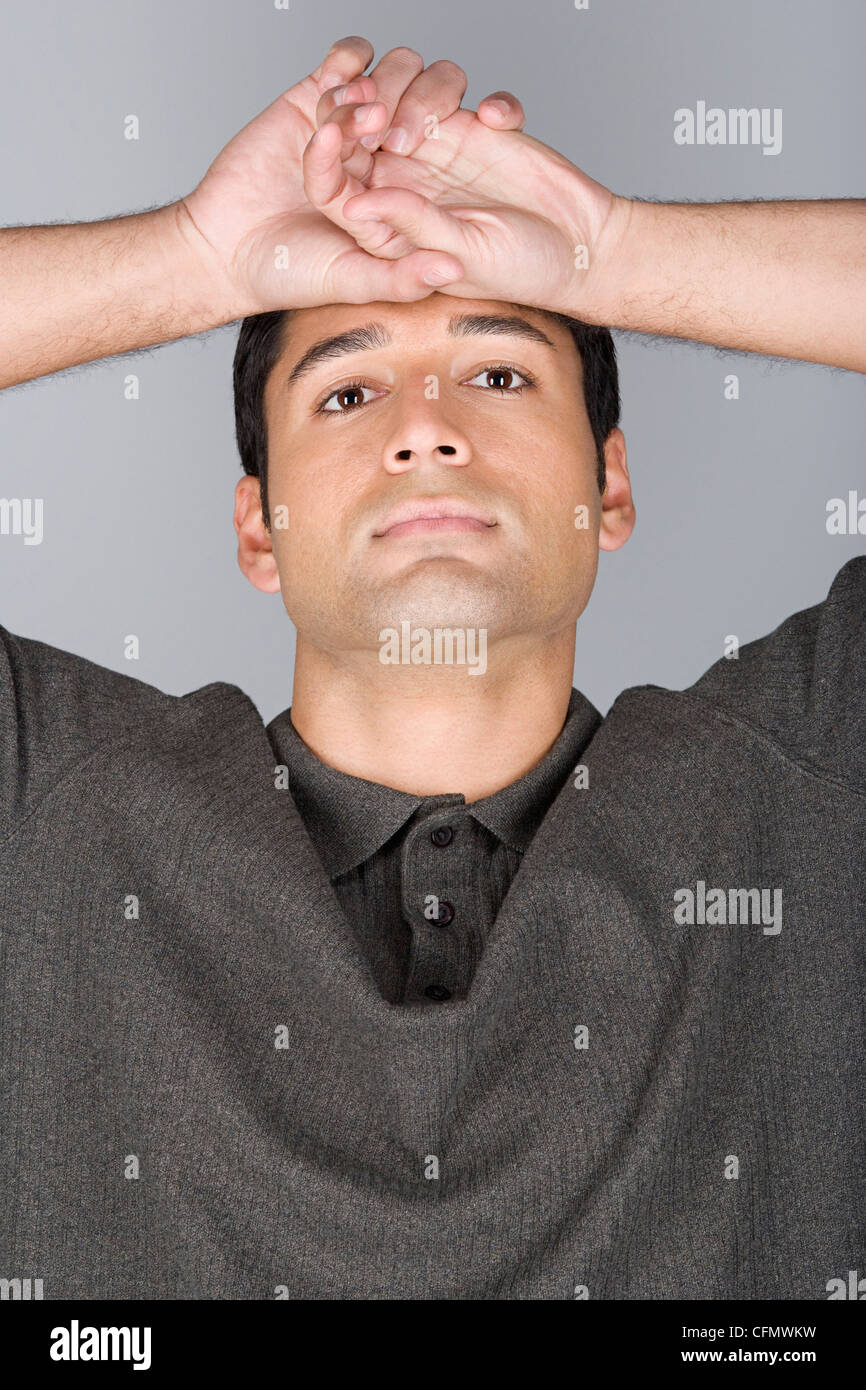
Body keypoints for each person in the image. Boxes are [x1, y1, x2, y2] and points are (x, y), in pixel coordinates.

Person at [1, 36, 863, 1301]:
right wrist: (187, 260)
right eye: (347, 394)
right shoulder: (47, 806)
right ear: (258, 526)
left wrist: (608, 254)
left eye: (500, 370)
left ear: (607, 484)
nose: (426, 428)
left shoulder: (808, 781)